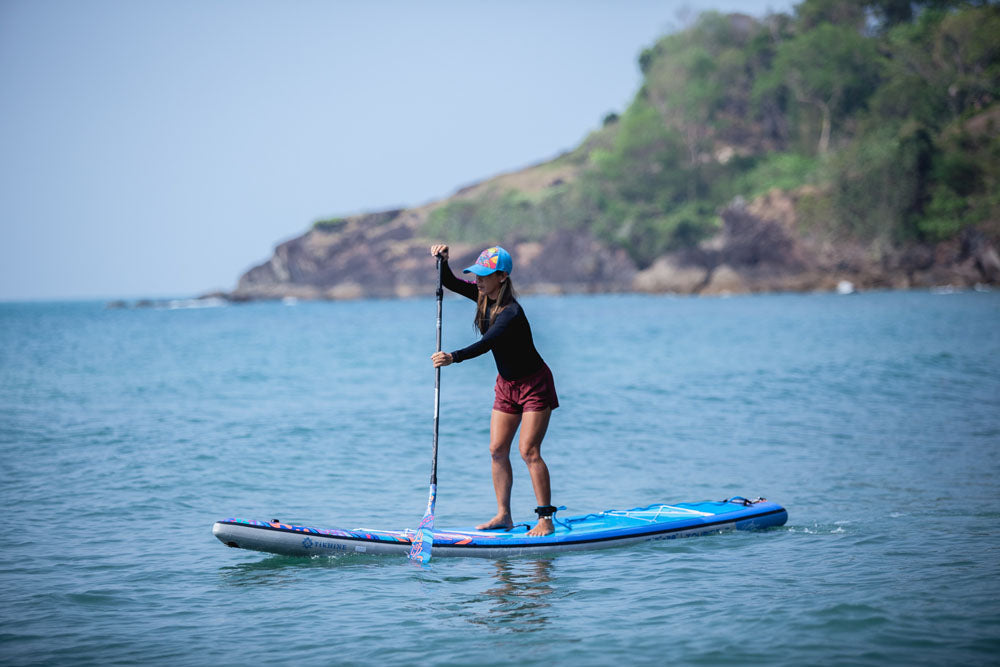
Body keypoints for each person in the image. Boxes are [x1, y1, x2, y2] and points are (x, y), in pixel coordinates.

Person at [429, 244, 559, 537]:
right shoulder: (482, 296)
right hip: (506, 386)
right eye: (476, 275)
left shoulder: (511, 313)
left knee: (529, 451)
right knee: (497, 450)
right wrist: (443, 261)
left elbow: (487, 343)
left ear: (501, 276)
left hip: (534, 385)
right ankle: (503, 515)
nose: (477, 280)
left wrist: (453, 357)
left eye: (484, 276)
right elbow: (449, 282)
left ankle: (545, 518)